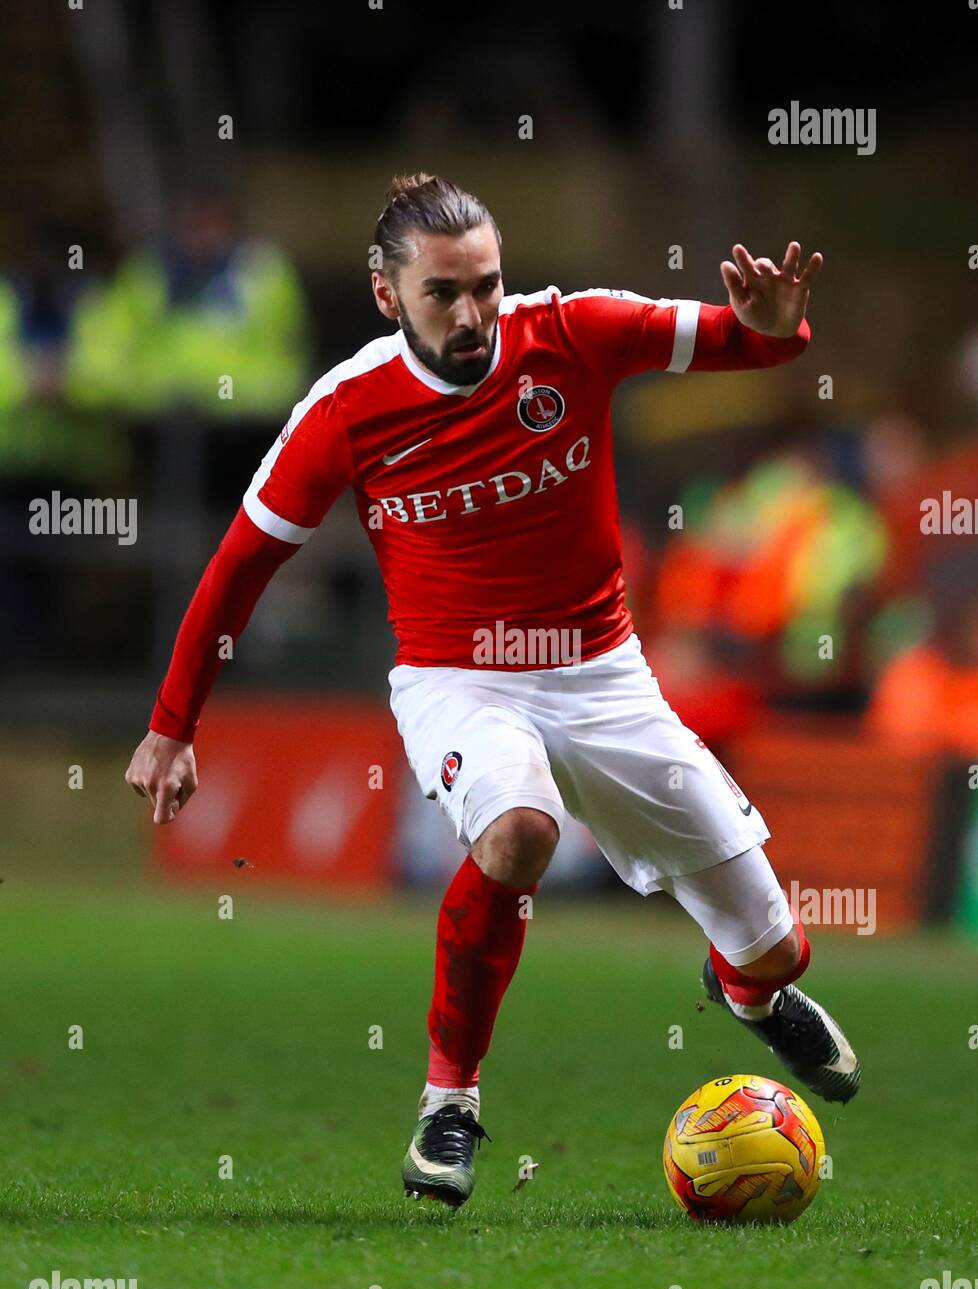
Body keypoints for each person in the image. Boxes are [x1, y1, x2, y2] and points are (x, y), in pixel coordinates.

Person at [125, 173, 859, 1210]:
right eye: (443, 294)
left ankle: (743, 987)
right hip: (457, 678)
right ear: (388, 296)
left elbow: (746, 338)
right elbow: (239, 565)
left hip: (603, 676)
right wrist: (172, 724)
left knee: (779, 945)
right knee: (518, 833)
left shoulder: (572, 331)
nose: (472, 313)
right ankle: (449, 1104)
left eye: (487, 285)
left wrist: (777, 333)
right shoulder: (344, 411)